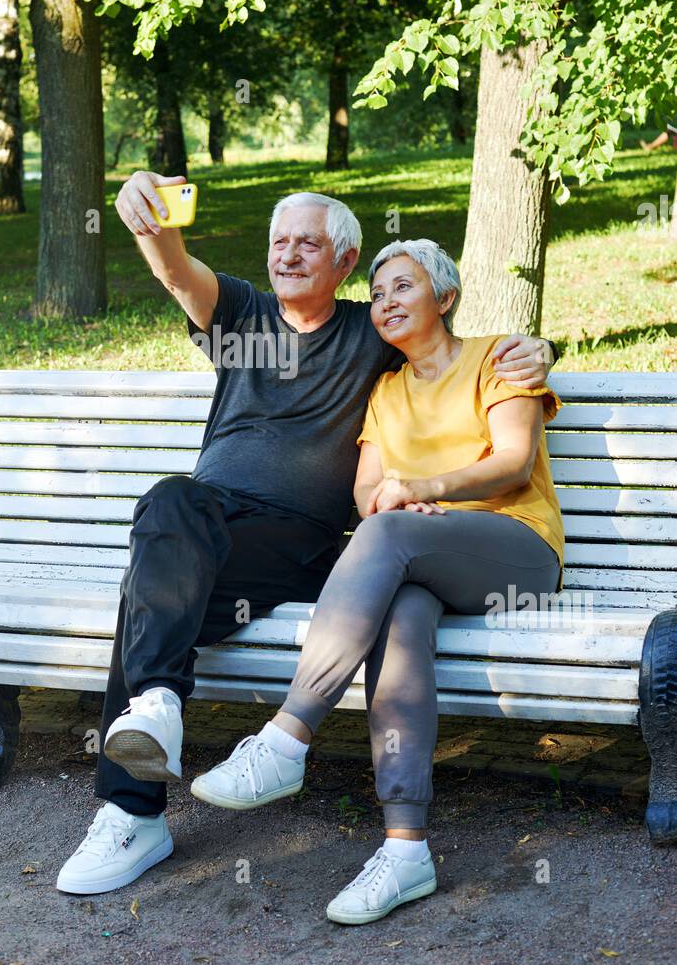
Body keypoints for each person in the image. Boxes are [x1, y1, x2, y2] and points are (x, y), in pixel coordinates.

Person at [55, 178, 557, 896]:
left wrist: (540, 350)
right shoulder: (242, 315)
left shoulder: (371, 335)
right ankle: (149, 746)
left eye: (309, 243)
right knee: (166, 518)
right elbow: (174, 269)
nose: (289, 255)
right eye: (279, 242)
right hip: (205, 530)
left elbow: (456, 353)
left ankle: (153, 792)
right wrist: (147, 218)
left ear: (343, 261)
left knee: (150, 593)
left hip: (298, 544)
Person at [192, 238, 564, 926]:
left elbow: (513, 463)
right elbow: (367, 493)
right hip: (424, 558)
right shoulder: (386, 392)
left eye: (405, 287)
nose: (387, 302)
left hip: (515, 551)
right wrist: (395, 504)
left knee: (386, 535)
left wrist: (422, 491)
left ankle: (288, 736)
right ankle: (405, 848)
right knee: (401, 619)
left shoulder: (497, 358)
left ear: (445, 299)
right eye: (380, 291)